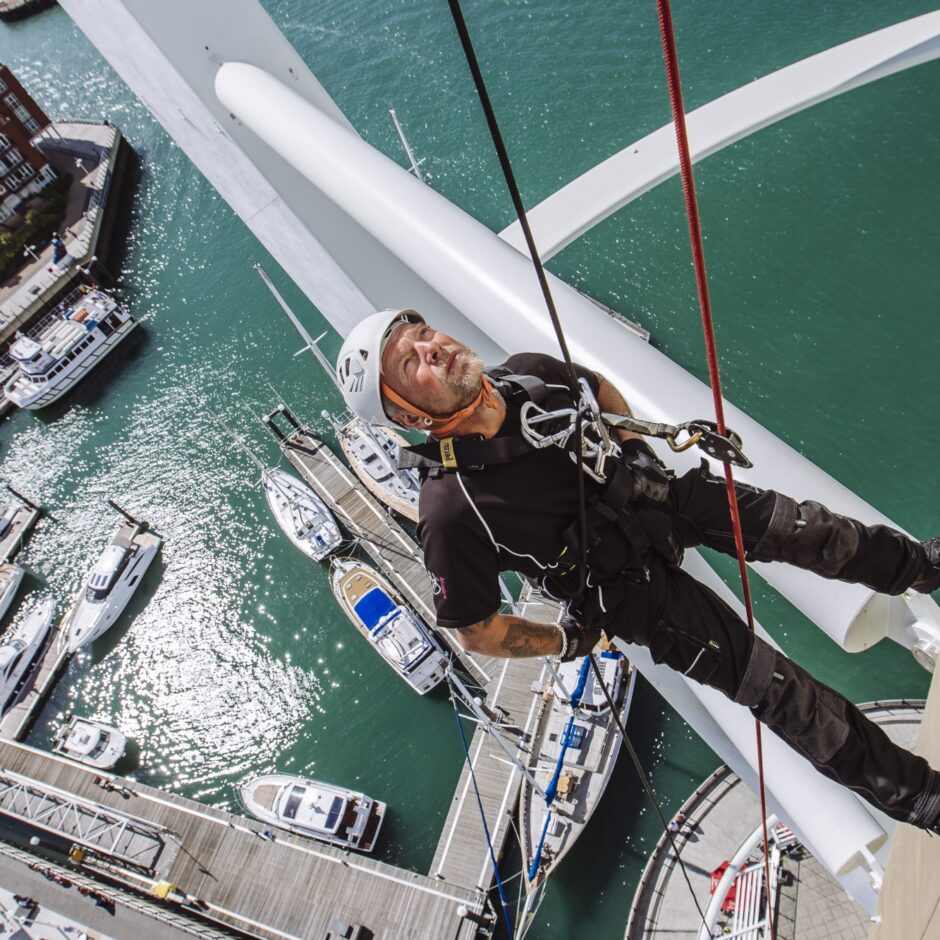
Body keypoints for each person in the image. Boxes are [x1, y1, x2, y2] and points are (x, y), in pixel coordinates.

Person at [335, 308, 940, 834]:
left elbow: (599, 389)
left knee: (811, 530)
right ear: (410, 417)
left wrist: (635, 451)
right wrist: (567, 640)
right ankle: (922, 798)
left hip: (654, 499)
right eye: (408, 361)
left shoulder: (529, 373)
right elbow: (473, 628)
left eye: (421, 333)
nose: (430, 346)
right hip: (632, 594)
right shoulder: (450, 510)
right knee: (783, 694)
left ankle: (923, 568)